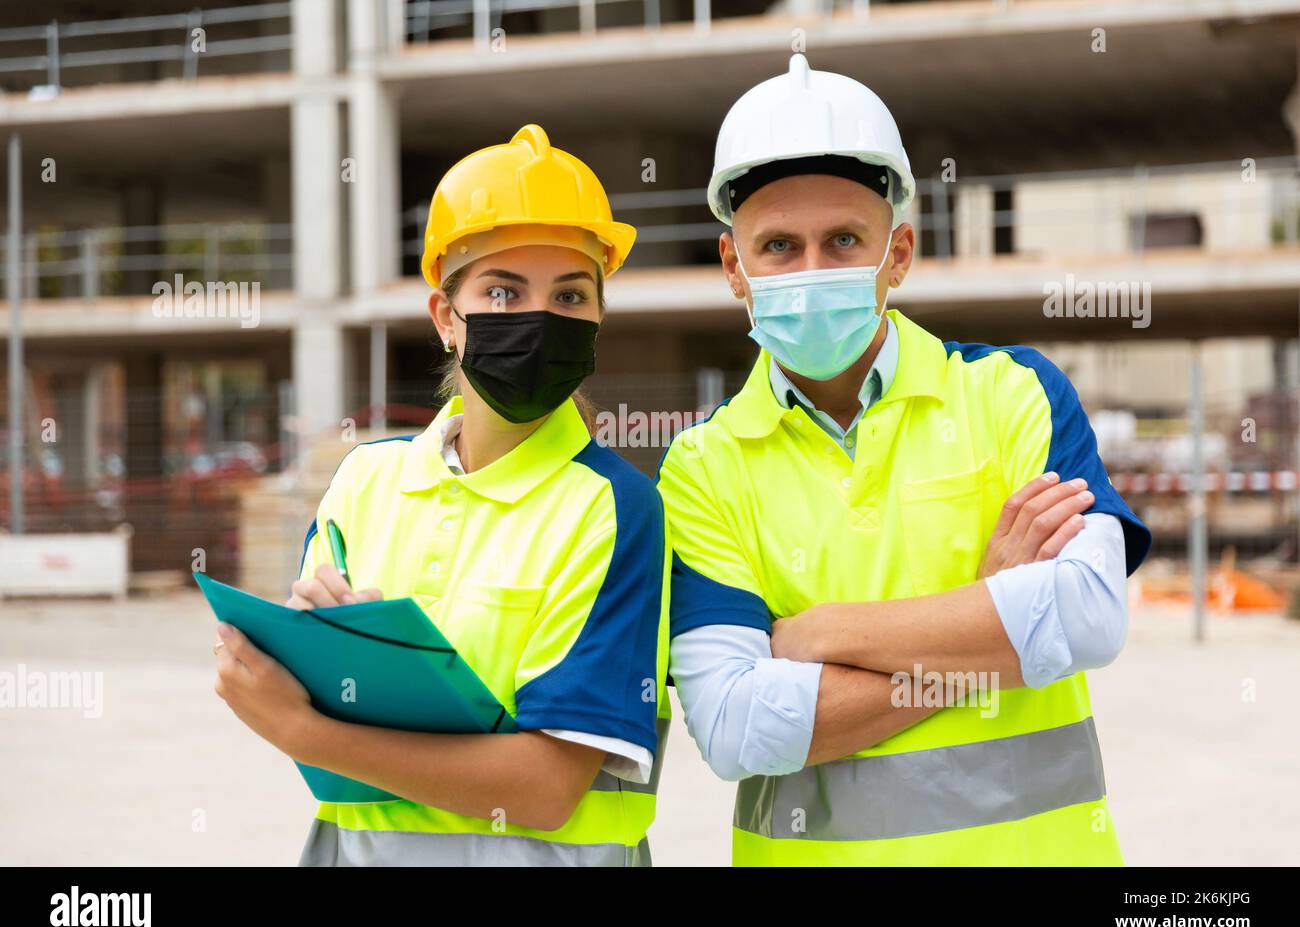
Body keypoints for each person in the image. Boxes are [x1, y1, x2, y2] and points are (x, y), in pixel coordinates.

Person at [658, 55, 1152, 865]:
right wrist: (989, 622)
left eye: (844, 239)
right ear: (732, 267)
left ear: (899, 252)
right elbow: (737, 728)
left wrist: (821, 635)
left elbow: (1087, 617)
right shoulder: (700, 467)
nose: (813, 271)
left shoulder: (1014, 392)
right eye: (778, 245)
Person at [212, 124, 671, 866]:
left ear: (597, 319)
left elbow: (548, 788)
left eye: (571, 293)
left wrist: (309, 726)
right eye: (501, 289)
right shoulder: (364, 482)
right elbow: (306, 679)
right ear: (444, 317)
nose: (539, 317)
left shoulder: (615, 510)